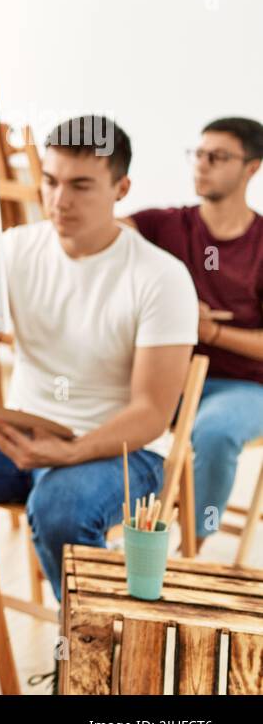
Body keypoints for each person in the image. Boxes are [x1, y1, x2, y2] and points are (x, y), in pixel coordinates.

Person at [0, 118, 197, 599]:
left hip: (126, 451)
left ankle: (85, 655)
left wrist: (71, 453)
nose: (60, 201)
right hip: (26, 436)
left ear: (122, 188)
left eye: (81, 186)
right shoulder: (15, 250)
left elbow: (151, 413)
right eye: (51, 182)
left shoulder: (162, 278)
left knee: (60, 507)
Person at [125, 118, 263, 547]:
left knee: (214, 432)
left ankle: (188, 547)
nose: (202, 165)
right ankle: (120, 525)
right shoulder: (166, 225)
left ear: (252, 168)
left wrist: (212, 333)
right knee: (107, 408)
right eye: (199, 154)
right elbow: (109, 234)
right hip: (172, 376)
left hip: (245, 387)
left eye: (218, 157)